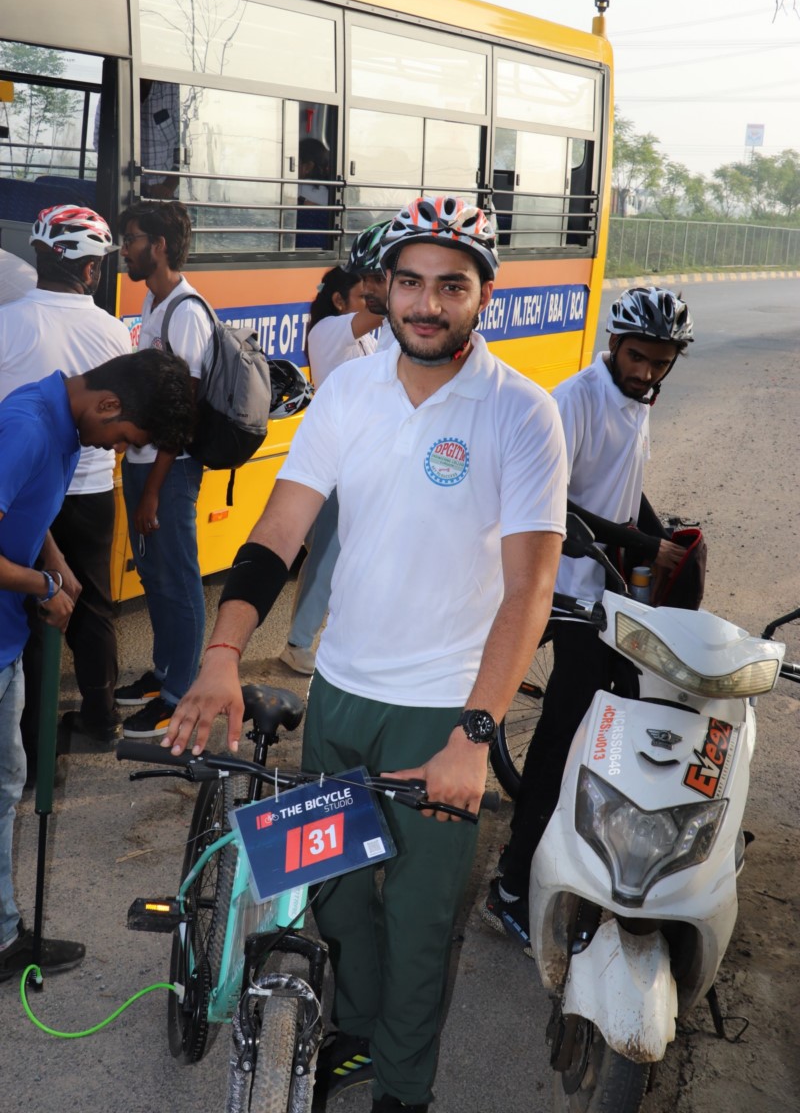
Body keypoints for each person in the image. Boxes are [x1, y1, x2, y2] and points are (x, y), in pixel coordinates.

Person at [162, 195, 568, 1112]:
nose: (427, 305)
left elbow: (529, 590)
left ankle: (404, 1090)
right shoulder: (351, 387)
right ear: (384, 289)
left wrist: (474, 733)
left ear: (484, 297)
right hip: (343, 694)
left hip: (441, 709)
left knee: (421, 923)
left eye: (451, 286)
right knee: (335, 894)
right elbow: (280, 528)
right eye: (411, 283)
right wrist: (225, 649)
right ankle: (360, 1033)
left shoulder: (522, 413)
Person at [482, 286, 694, 953]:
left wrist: (664, 535)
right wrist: (636, 545)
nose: (648, 373)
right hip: (559, 585)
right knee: (563, 735)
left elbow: (622, 489)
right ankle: (509, 886)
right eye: (638, 358)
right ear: (614, 344)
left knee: (613, 707)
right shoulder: (574, 400)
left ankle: (579, 845)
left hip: (601, 588)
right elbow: (554, 499)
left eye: (661, 363)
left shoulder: (640, 400)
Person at [0, 349, 193, 983]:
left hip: (6, 638)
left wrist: (56, 566)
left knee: (7, 781)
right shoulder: (30, 423)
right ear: (107, 405)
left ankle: (2, 934)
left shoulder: (60, 422)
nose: (115, 451)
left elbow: (34, 507)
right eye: (123, 439)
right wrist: (40, 584)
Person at [0, 206, 132, 774]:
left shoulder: (7, 322)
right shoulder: (110, 328)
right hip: (91, 488)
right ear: (91, 271)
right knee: (94, 606)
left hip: (20, 491)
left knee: (31, 615)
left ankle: (34, 744)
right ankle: (101, 717)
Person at [115, 201, 213, 738]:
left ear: (158, 245)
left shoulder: (186, 313)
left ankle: (180, 695)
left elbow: (184, 414)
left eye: (131, 238)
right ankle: (164, 672)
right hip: (143, 463)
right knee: (154, 575)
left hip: (167, 472)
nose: (124, 249)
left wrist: (153, 489)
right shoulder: (156, 305)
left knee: (178, 578)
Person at [279, 266, 383, 675]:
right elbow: (384, 310)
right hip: (335, 462)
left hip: (361, 461)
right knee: (327, 555)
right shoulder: (328, 331)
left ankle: (325, 636)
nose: (370, 300)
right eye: (363, 294)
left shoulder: (363, 341)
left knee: (344, 554)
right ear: (339, 301)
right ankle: (297, 643)